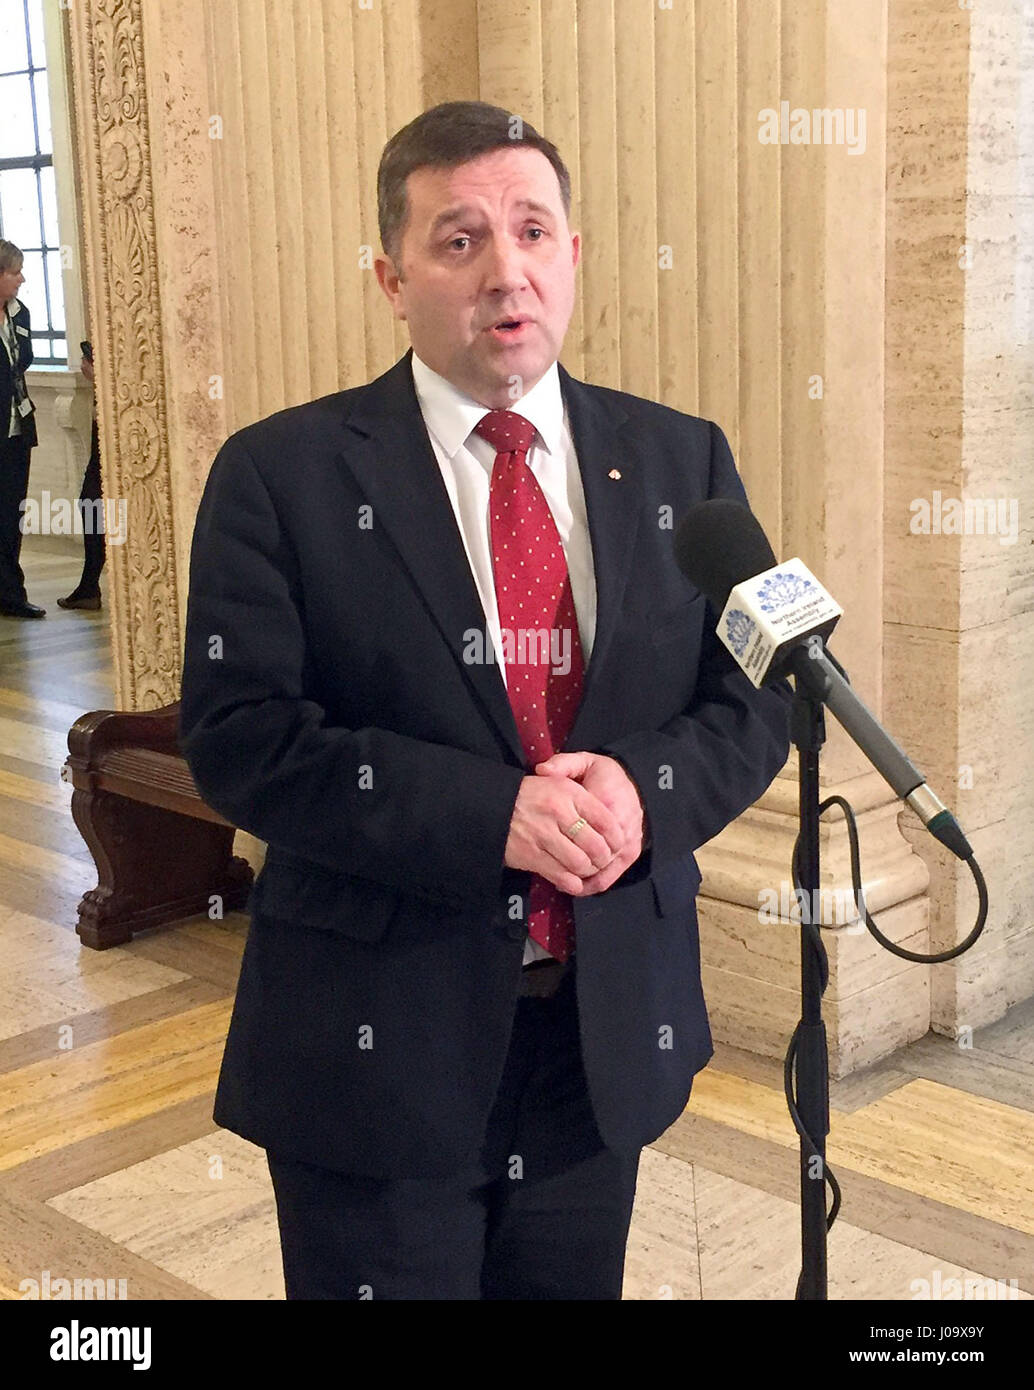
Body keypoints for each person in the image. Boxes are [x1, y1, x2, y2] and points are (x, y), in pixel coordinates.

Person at [179, 101, 792, 1301]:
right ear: (389, 277)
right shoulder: (281, 474)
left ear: (574, 258)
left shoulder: (684, 462)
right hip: (376, 1045)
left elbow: (759, 694)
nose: (504, 269)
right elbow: (239, 737)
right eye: (458, 240)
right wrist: (489, 816)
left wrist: (640, 786)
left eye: (531, 230)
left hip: (597, 1033)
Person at [0, 240, 45, 619]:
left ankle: (11, 593)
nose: (21, 279)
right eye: (15, 272)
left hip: (16, 428)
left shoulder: (20, 314)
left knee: (11, 513)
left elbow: (22, 362)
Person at [58, 344, 105, 610]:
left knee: (93, 500)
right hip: (103, 420)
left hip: (118, 424)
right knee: (91, 501)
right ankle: (88, 585)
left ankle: (89, 586)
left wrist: (99, 378)